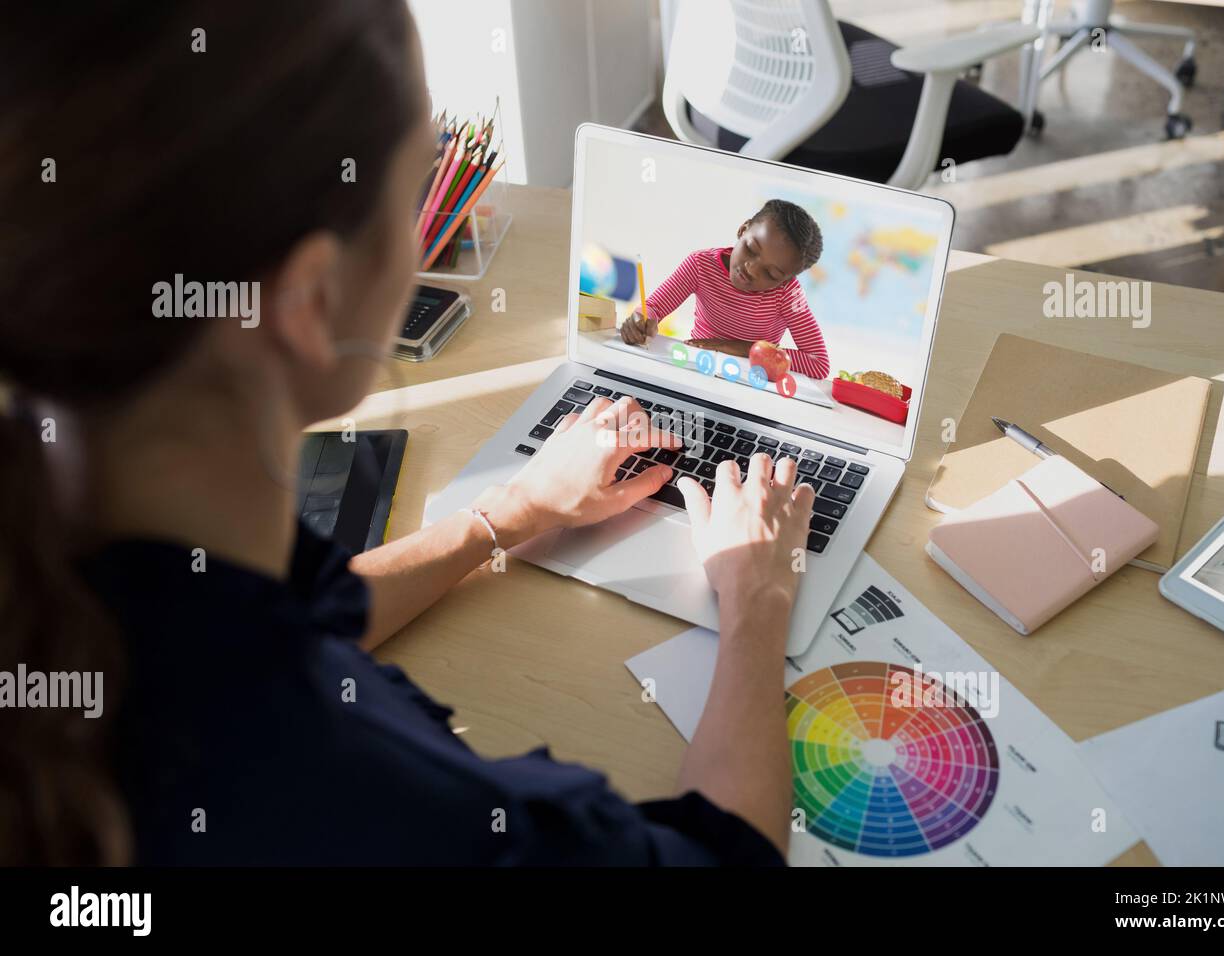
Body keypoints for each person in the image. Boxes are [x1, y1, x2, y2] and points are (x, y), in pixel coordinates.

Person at [0, 1, 814, 865]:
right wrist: (756, 601)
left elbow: (280, 625)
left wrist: (503, 516)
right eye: (420, 186)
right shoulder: (411, 818)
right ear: (312, 302)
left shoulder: (63, 554)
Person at [618, 200, 832, 379]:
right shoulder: (700, 265)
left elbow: (819, 363)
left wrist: (740, 347)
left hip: (753, 386)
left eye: (772, 274)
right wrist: (641, 319)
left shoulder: (789, 294)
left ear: (786, 281)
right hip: (699, 371)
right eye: (751, 249)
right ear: (743, 229)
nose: (751, 269)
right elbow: (654, 307)